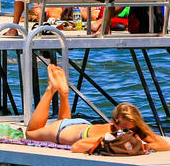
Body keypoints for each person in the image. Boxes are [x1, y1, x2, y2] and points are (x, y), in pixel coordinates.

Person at [25, 63, 170, 152]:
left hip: (81, 126)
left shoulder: (136, 132)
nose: (129, 132)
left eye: (132, 129)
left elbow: (163, 145)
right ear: (115, 123)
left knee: (63, 119)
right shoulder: (107, 135)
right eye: (125, 129)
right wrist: (105, 142)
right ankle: (51, 89)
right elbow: (77, 147)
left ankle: (64, 93)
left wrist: (140, 143)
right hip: (63, 130)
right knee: (31, 133)